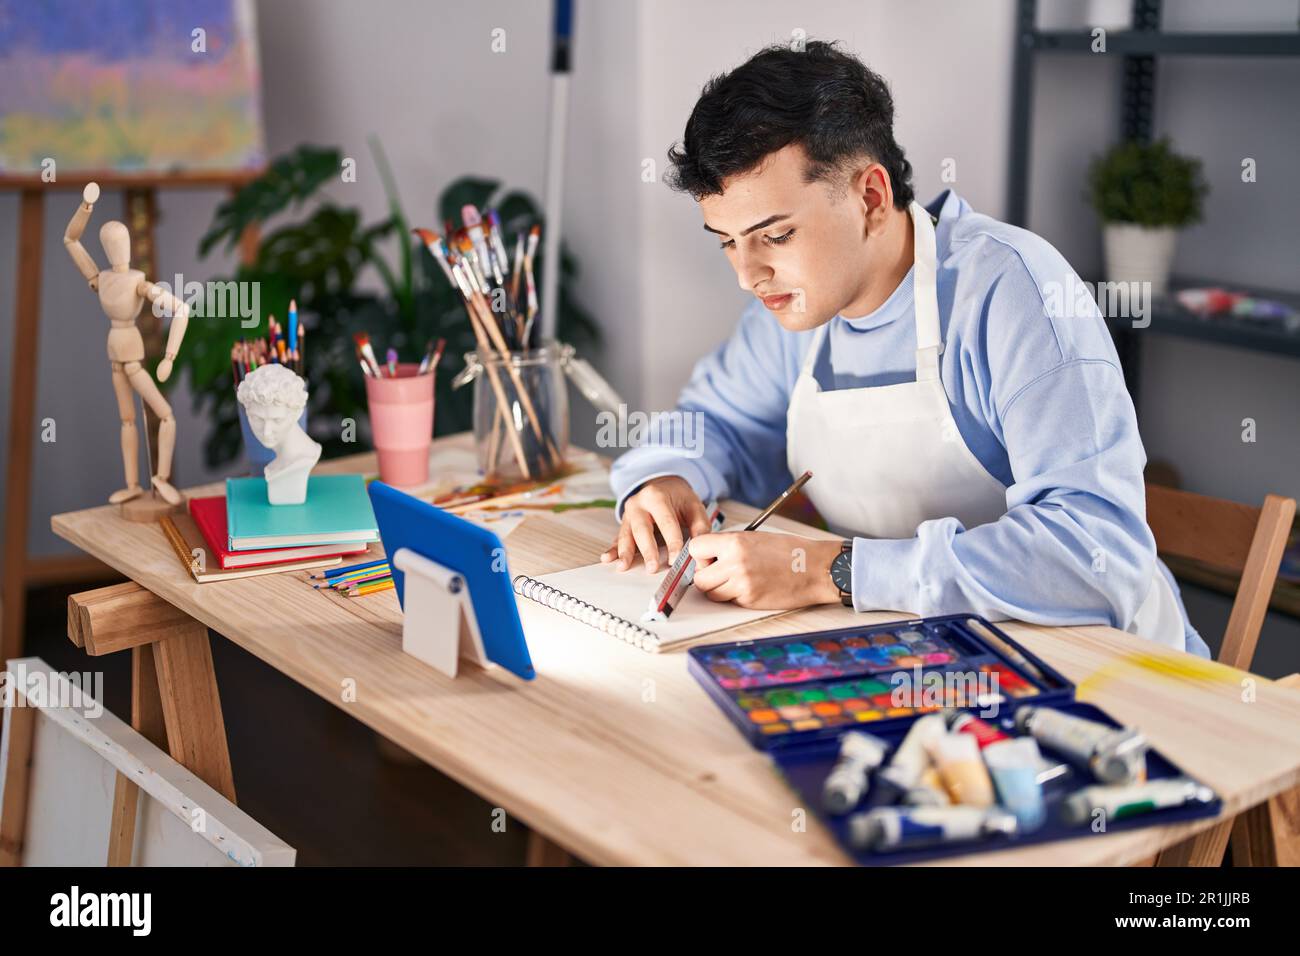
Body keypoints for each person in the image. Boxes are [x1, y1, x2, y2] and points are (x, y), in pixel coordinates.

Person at [603, 40, 1208, 657]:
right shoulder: (793, 306)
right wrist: (665, 478)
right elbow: (715, 422)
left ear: (870, 196)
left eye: (776, 235)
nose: (747, 274)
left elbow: (1095, 555)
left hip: (1111, 675)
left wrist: (826, 571)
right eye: (727, 242)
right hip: (929, 657)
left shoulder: (1014, 292)